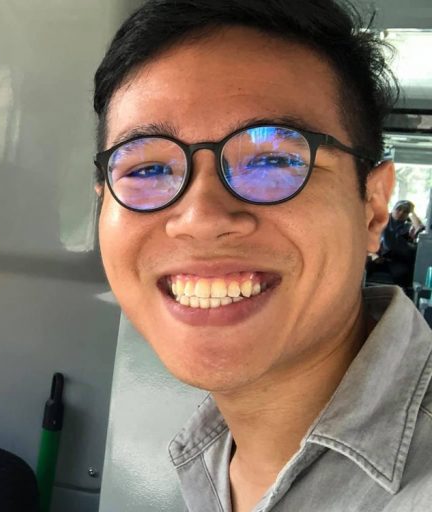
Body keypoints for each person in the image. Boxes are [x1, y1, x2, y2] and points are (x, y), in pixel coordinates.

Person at [92, 1, 432, 510]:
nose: (200, 216)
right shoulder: (210, 451)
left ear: (373, 209)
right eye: (145, 170)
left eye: (273, 160)